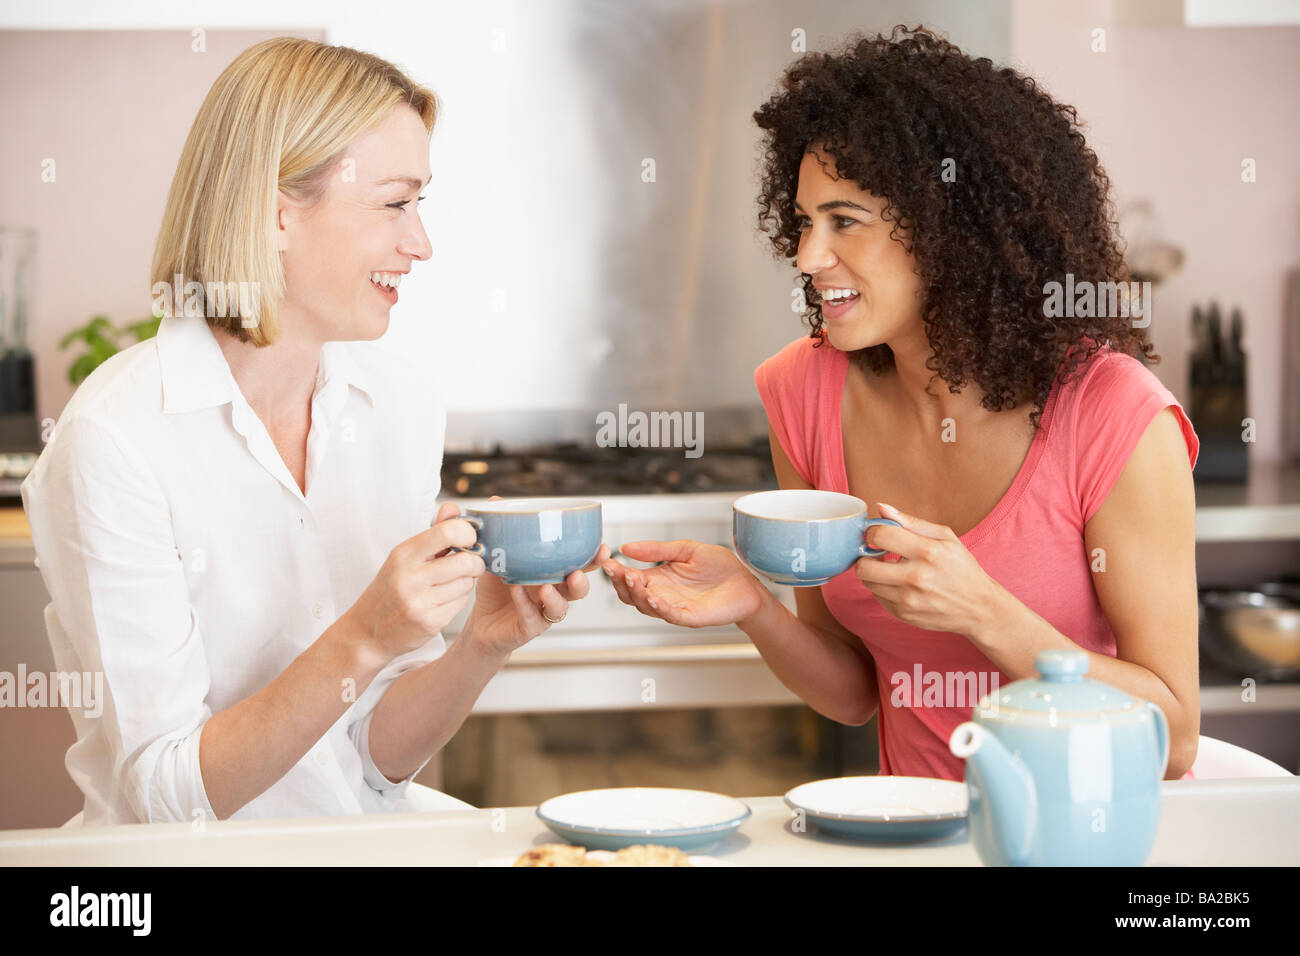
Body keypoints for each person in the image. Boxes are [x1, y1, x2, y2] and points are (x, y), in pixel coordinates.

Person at [22, 37, 608, 826]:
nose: (421, 243)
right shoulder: (115, 439)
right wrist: (363, 635)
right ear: (276, 212)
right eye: (395, 203)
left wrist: (481, 647)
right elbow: (166, 800)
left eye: (419, 204)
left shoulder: (396, 405)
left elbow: (372, 764)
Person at [603, 26, 1200, 781]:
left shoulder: (1115, 416)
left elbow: (1173, 738)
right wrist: (753, 605)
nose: (808, 257)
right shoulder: (802, 390)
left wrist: (984, 611)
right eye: (804, 222)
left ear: (952, 230)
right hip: (909, 840)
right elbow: (855, 691)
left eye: (843, 221)